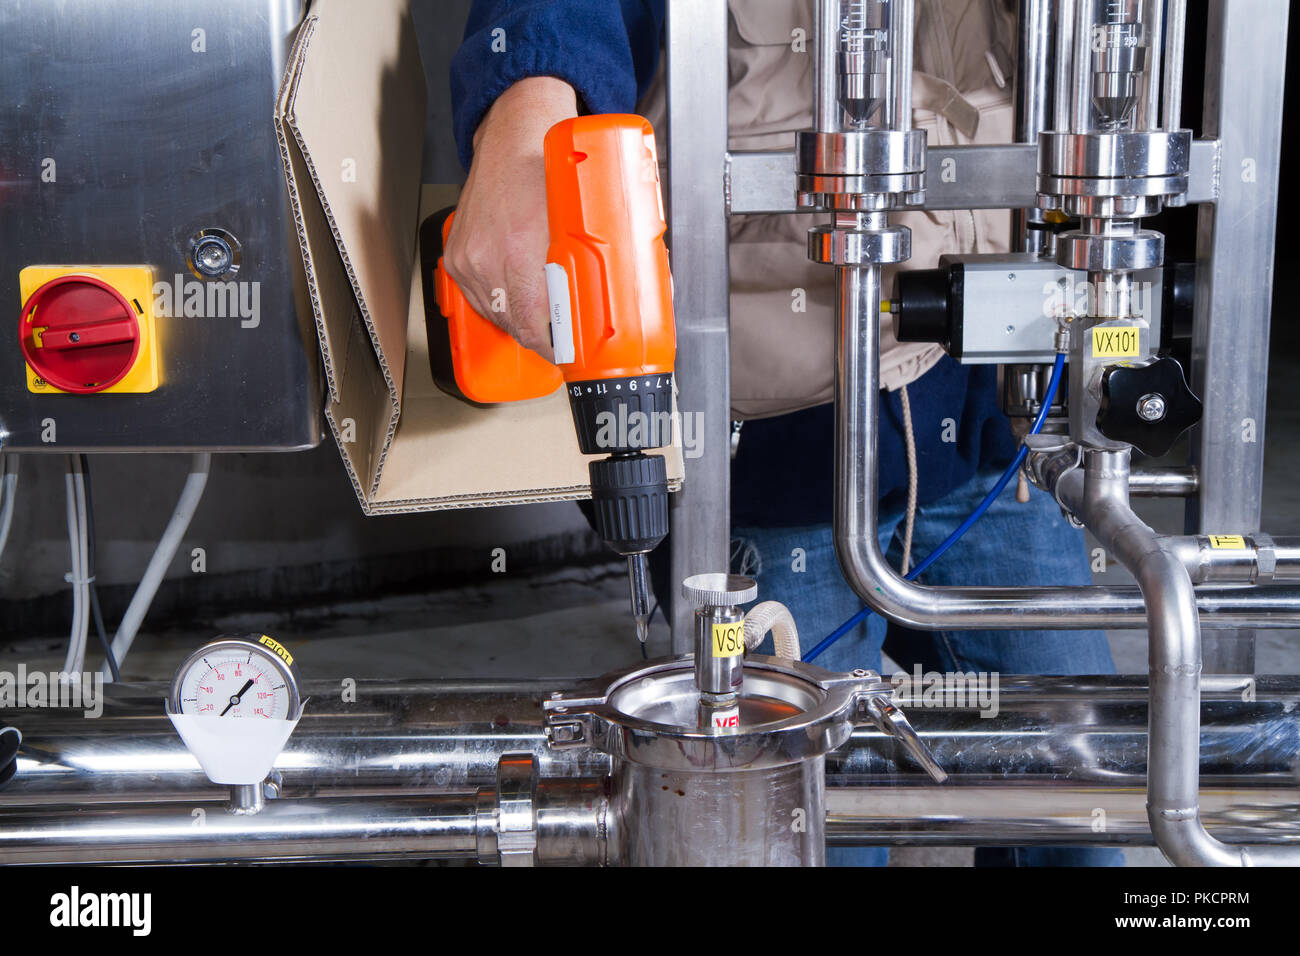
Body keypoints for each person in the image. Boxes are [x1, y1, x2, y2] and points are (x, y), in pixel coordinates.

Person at [446, 0, 1122, 867]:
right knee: (811, 828)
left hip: (987, 441)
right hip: (771, 460)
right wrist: (526, 98)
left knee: (1084, 784)